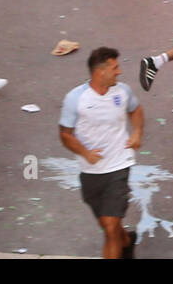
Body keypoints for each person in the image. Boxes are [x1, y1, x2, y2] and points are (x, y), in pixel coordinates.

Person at [60, 46, 144, 259]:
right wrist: (85, 153)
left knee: (109, 226)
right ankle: (127, 242)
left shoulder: (122, 91)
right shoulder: (75, 99)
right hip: (90, 172)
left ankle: (121, 244)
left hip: (119, 166)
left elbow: (136, 110)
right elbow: (65, 135)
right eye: (115, 68)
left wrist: (137, 133)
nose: (119, 72)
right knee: (111, 227)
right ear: (100, 72)